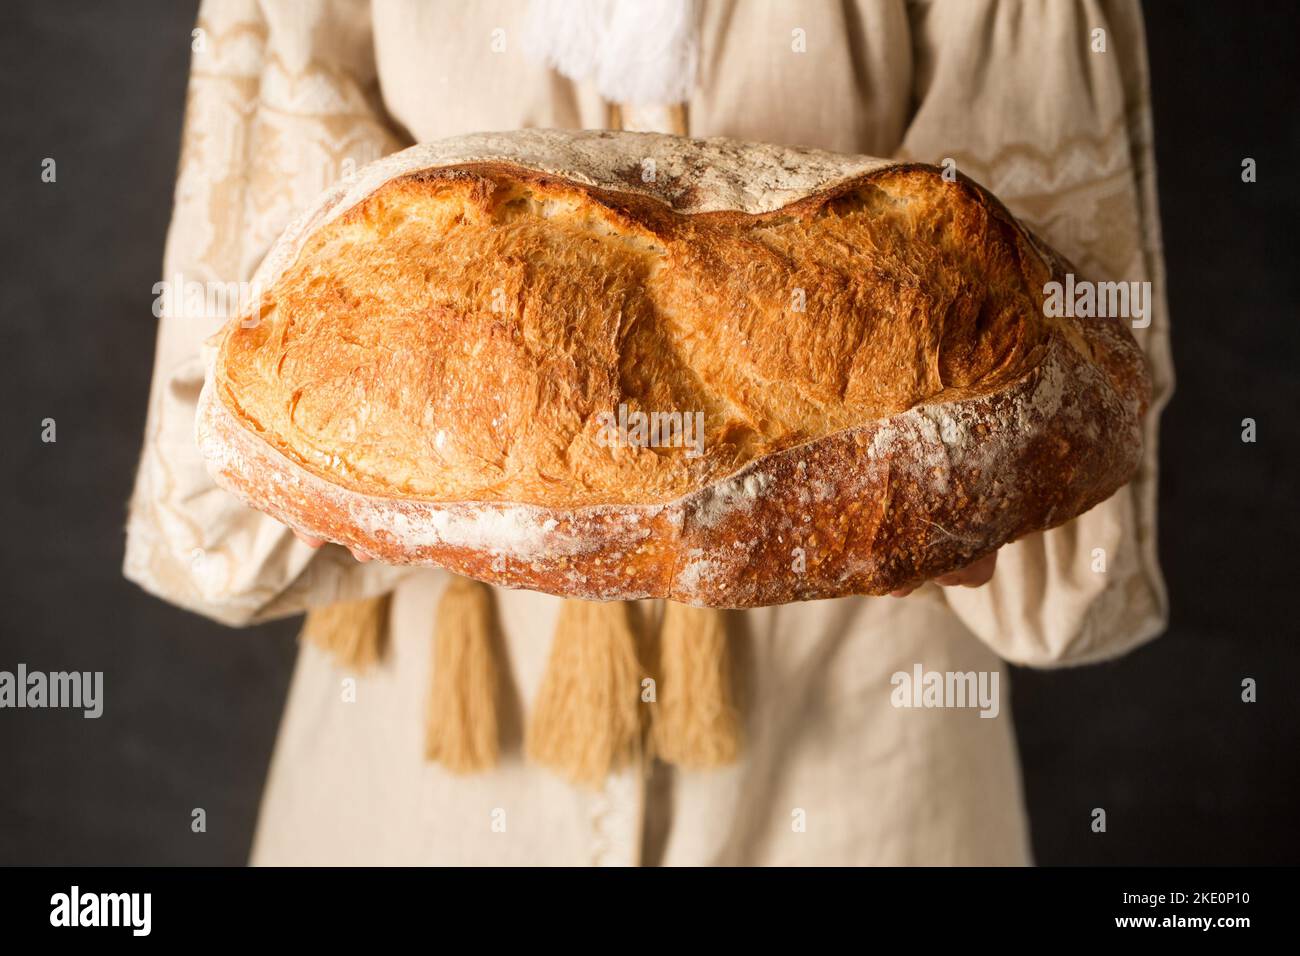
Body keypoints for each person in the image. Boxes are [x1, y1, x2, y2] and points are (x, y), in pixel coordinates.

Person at [125, 0, 1172, 865]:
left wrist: (956, 485)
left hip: (860, 762)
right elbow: (225, 445)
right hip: (427, 772)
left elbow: (1075, 425)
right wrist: (349, 469)